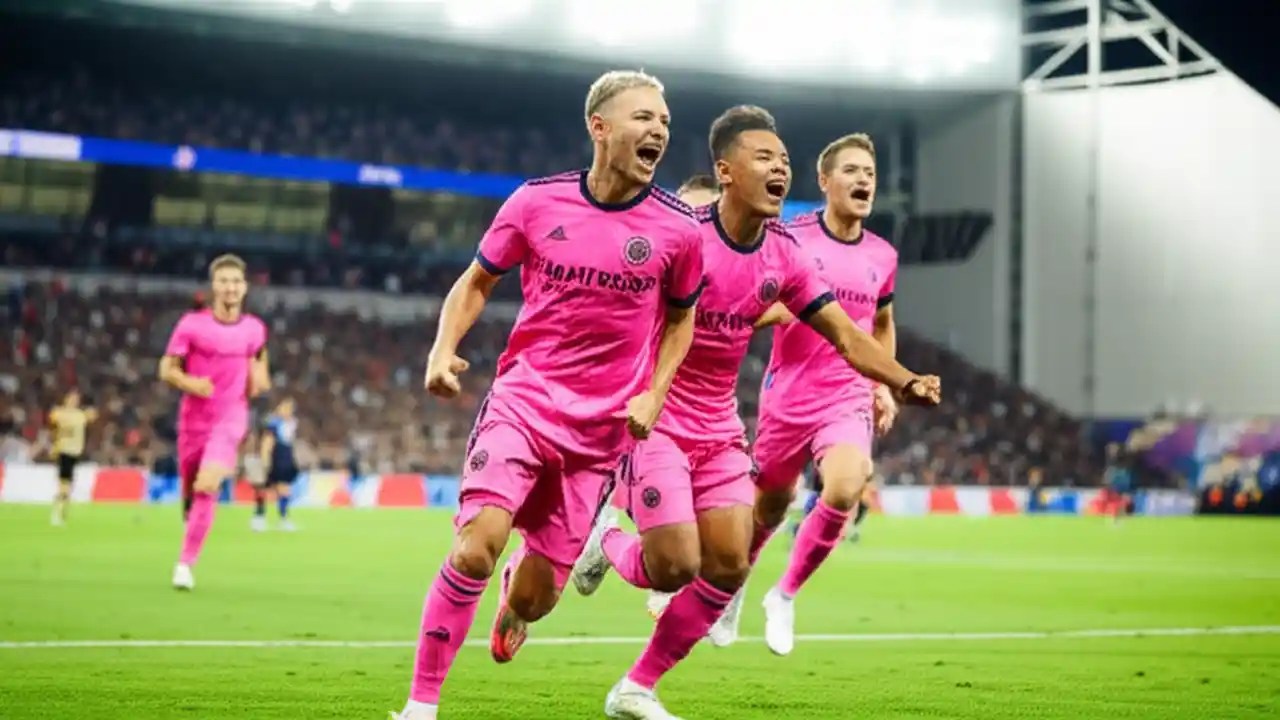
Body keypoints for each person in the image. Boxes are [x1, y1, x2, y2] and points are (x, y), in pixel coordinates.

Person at [568, 107, 940, 719]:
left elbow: (849, 336)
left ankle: (636, 687)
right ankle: (604, 535)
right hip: (657, 414)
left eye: (785, 161)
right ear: (727, 172)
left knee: (730, 565)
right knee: (673, 566)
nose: (780, 168)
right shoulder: (682, 239)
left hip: (718, 426)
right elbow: (618, 304)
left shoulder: (786, 256)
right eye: (765, 158)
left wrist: (902, 381)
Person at [392, 69, 704, 720]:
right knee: (476, 544)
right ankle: (420, 706)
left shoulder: (678, 229)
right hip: (525, 401)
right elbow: (476, 281)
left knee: (537, 601)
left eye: (665, 122)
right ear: (601, 127)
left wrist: (654, 393)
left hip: (600, 437)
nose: (659, 131)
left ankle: (519, 600)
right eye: (644, 117)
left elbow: (682, 319)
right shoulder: (537, 203)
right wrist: (443, 347)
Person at [713, 133, 906, 656]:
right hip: (788, 396)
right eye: (851, 170)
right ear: (824, 182)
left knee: (847, 485)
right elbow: (755, 303)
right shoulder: (789, 238)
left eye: (869, 171)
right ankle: (733, 586)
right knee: (769, 508)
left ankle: (785, 594)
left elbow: (880, 322)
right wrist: (794, 308)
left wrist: (882, 383)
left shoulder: (882, 256)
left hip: (846, 396)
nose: (864, 179)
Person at [159, 254, 270, 591]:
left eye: (236, 282)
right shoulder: (191, 325)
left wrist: (259, 380)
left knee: (208, 484)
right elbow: (166, 369)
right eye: (224, 281)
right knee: (191, 491)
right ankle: (191, 527)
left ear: (245, 287)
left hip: (231, 419)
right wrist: (192, 384)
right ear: (214, 287)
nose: (230, 288)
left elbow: (261, 373)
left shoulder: (254, 329)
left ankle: (185, 564)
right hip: (193, 421)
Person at [47, 389, 97, 526]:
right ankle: (57, 513)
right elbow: (52, 426)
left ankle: (61, 513)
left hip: (75, 452)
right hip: (64, 450)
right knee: (64, 484)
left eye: (76, 399)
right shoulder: (61, 413)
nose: (74, 401)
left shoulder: (79, 415)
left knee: (68, 484)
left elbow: (93, 416)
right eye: (72, 398)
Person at [253, 397, 300, 532]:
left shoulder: (291, 423)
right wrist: (265, 458)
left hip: (285, 458)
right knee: (264, 488)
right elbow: (267, 441)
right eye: (284, 408)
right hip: (275, 457)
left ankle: (283, 518)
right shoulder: (274, 423)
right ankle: (259, 517)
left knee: (284, 488)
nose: (286, 411)